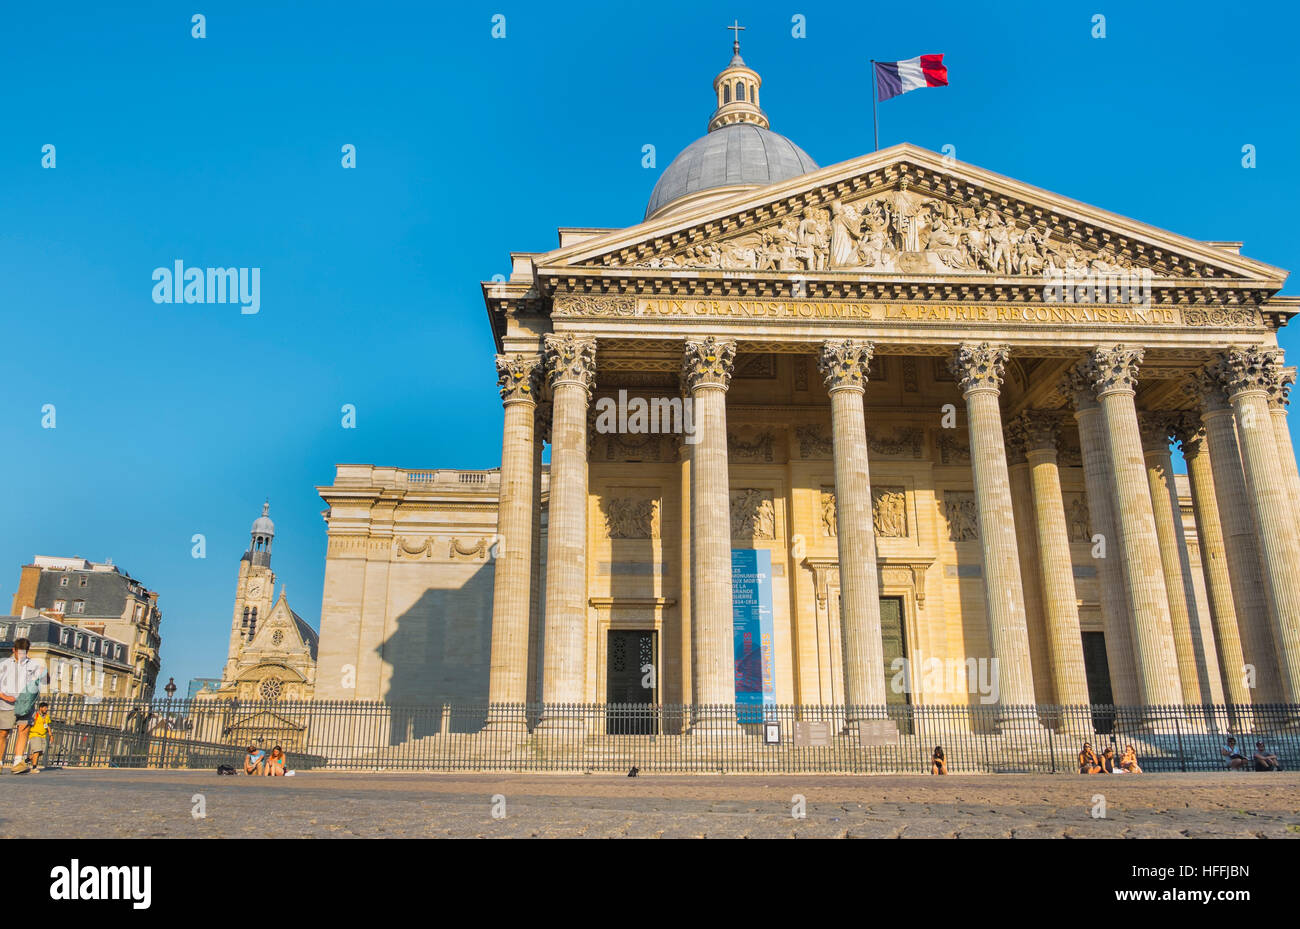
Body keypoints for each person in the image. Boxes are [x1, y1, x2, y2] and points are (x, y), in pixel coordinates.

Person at [0, 638, 47, 775]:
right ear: (13, 650)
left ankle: (18, 762)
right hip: (5, 703)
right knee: (3, 733)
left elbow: (44, 681)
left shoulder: (33, 664)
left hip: (25, 704)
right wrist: (3, 696)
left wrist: (45, 674)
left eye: (24, 653)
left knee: (24, 730)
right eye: (18, 653)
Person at [26, 702, 51, 772]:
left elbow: (47, 725)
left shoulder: (47, 716)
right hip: (35, 734)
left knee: (41, 752)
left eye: (47, 708)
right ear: (40, 708)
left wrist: (51, 735)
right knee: (37, 751)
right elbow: (30, 723)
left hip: (43, 736)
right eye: (45, 708)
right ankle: (34, 768)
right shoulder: (35, 715)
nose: (46, 709)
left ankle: (27, 760)